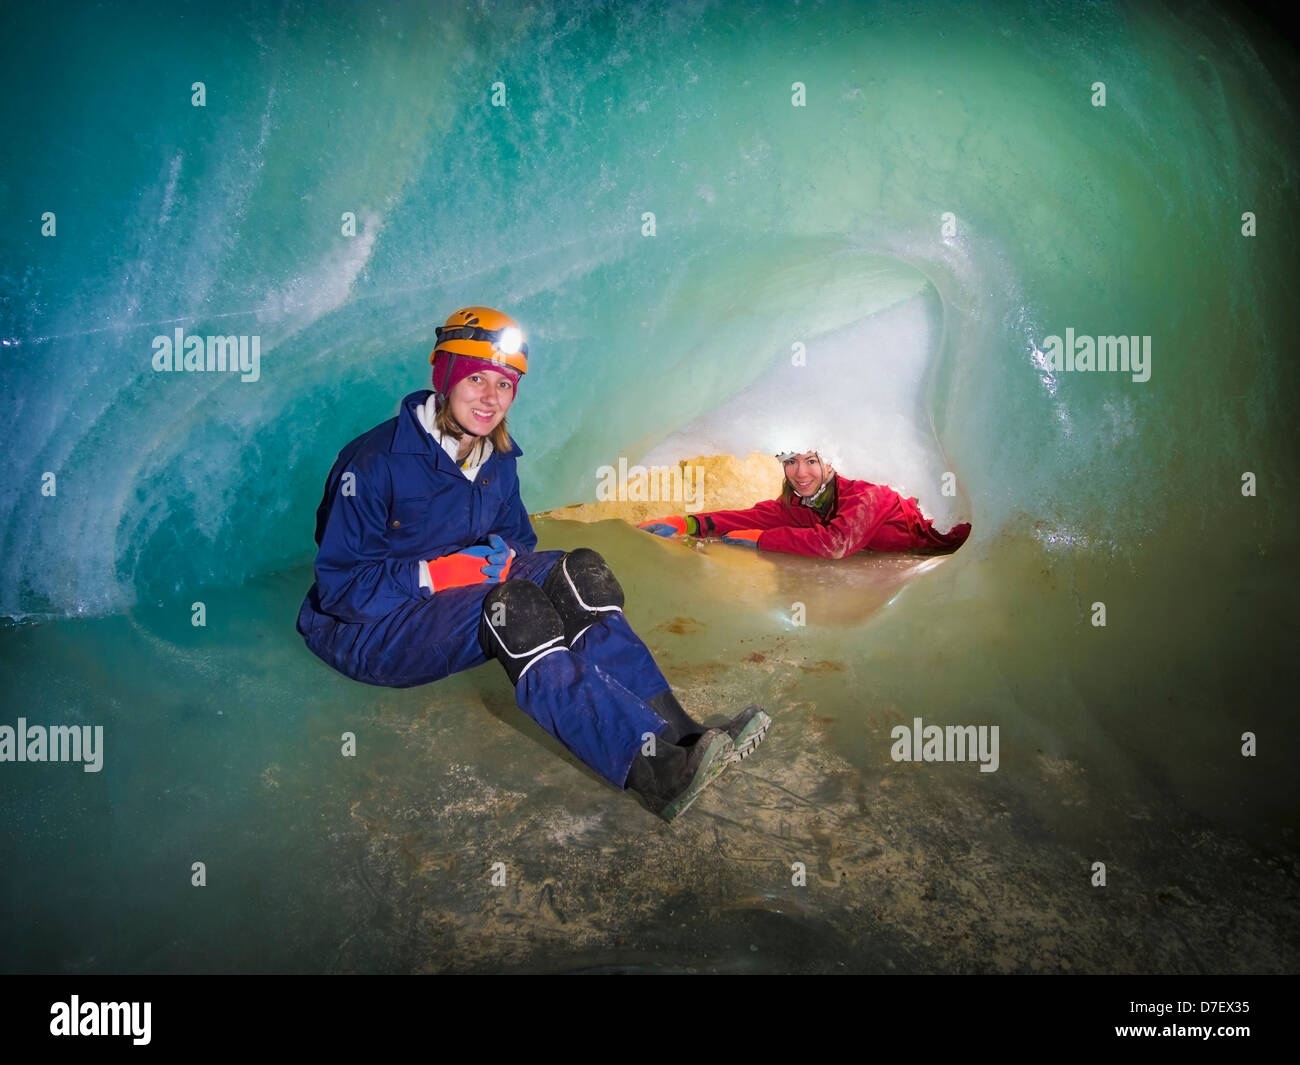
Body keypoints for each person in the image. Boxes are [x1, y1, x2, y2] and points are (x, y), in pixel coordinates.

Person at [296, 306, 770, 821]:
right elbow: (341, 590)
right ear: (446, 376)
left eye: (504, 384)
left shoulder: (494, 458)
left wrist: (503, 552)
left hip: (437, 606)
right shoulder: (374, 462)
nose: (490, 398)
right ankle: (650, 774)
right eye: (476, 378)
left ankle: (682, 736)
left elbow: (519, 537)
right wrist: (438, 573)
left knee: (578, 574)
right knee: (514, 610)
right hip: (366, 631)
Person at [639, 450, 971, 557]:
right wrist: (690, 524)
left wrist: (764, 541)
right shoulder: (802, 503)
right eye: (791, 462)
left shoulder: (869, 493)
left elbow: (836, 544)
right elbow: (753, 516)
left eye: (811, 460)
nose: (800, 472)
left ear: (830, 461)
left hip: (960, 539)